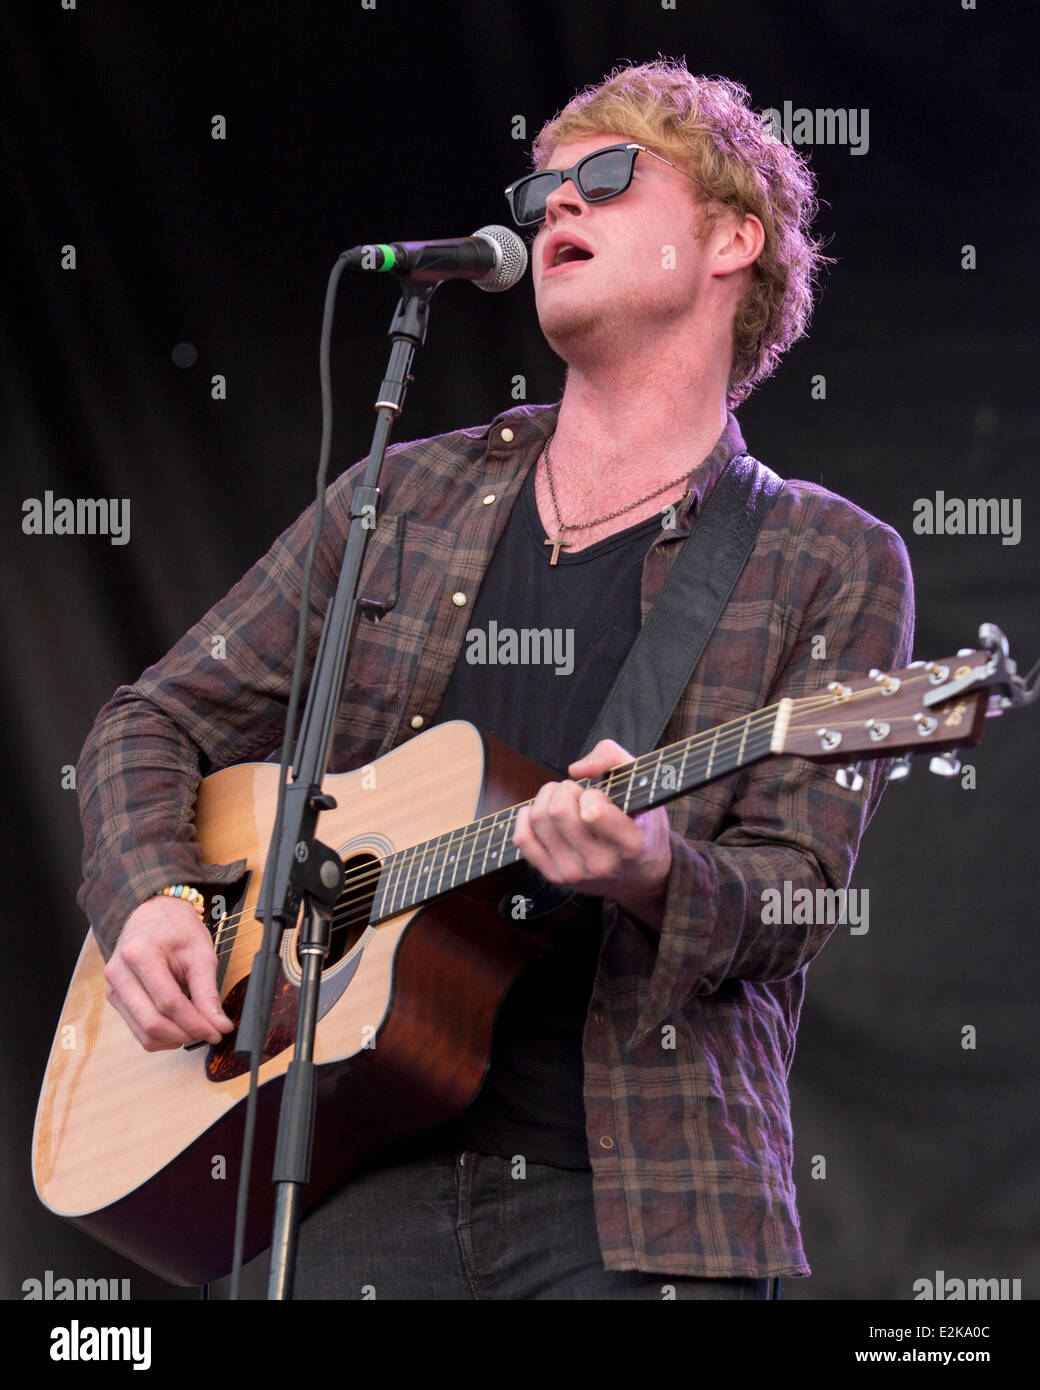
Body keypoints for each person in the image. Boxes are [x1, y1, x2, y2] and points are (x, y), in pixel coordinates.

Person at [77, 60, 915, 1299]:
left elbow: (795, 902)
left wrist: (650, 870)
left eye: (607, 176)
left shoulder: (826, 557)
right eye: (541, 190)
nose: (552, 208)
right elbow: (153, 718)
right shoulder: (399, 495)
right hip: (346, 1186)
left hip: (640, 1211)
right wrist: (149, 896)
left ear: (735, 238)